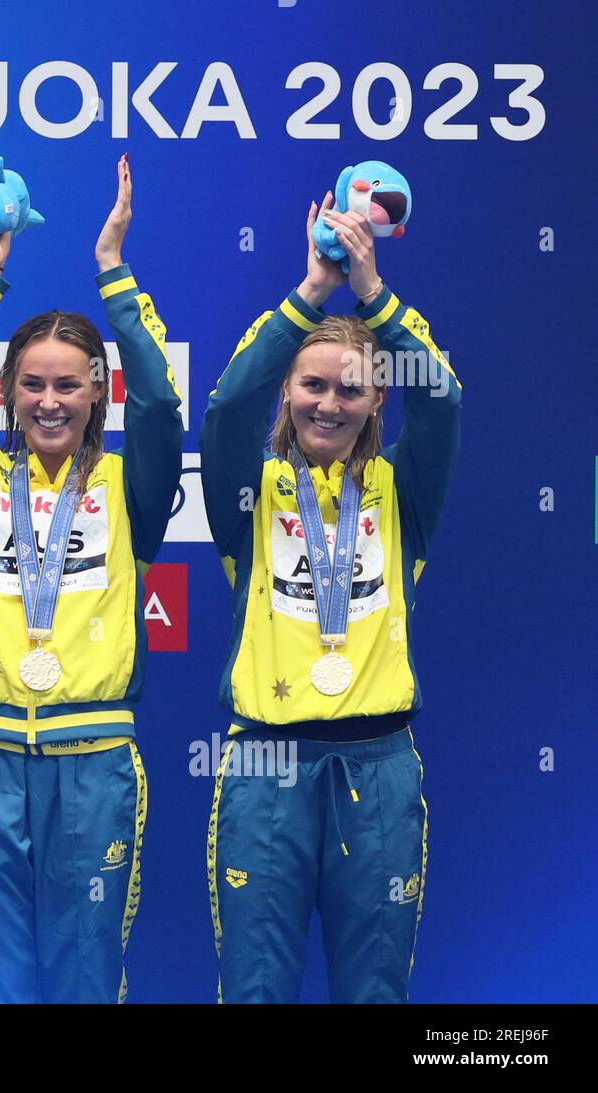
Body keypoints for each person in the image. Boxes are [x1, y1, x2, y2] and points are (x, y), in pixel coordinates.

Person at [0, 155, 183, 1003]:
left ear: (99, 390)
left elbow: (166, 407)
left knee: (84, 976)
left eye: (70, 383)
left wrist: (114, 271)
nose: (51, 400)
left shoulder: (130, 487)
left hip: (95, 756)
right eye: (32, 383)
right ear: (8, 391)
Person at [200, 191, 461, 1003]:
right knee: (256, 989)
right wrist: (312, 291)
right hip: (266, 760)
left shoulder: (400, 491)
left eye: (351, 391)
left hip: (381, 766)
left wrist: (375, 294)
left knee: (374, 991)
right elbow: (224, 406)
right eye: (311, 385)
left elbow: (445, 397)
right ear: (289, 388)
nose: (328, 404)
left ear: (379, 400)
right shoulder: (251, 488)